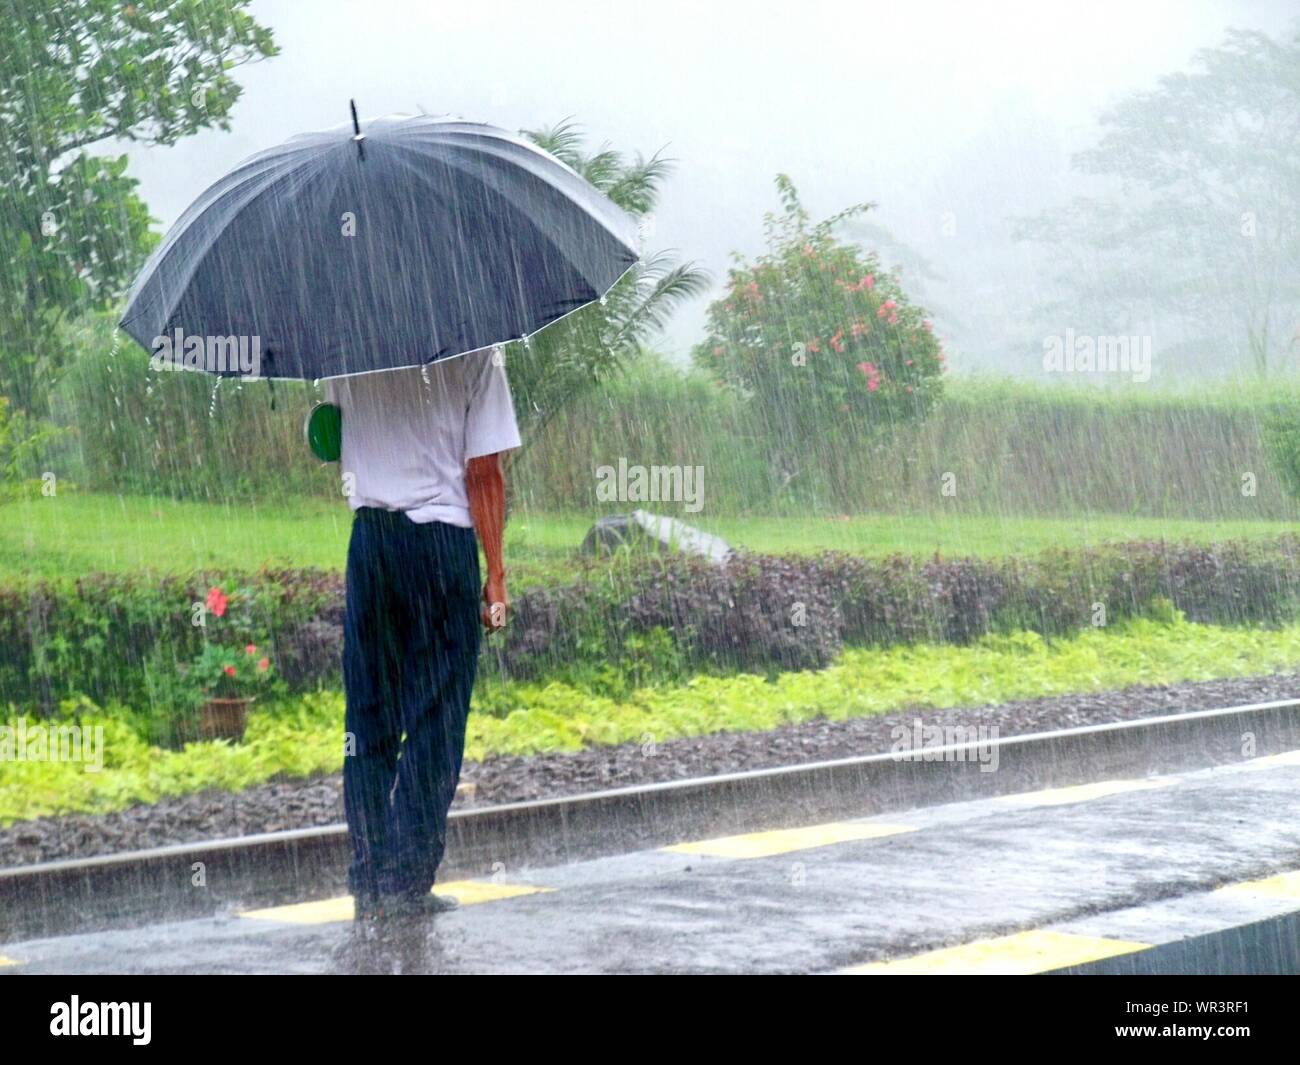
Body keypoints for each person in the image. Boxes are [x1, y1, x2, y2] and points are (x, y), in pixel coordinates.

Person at [324, 347, 519, 920]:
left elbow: (330, 439)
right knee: (437, 715)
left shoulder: (345, 343)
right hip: (439, 544)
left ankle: (368, 877)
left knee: (368, 715)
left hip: (372, 543)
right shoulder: (476, 348)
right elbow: (483, 471)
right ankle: (406, 882)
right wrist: (497, 576)